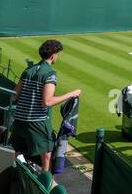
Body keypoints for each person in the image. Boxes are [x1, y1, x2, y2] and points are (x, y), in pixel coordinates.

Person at [10, 40, 81, 172]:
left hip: (19, 121)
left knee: (15, 151)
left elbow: (15, 95)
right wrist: (71, 94)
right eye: (58, 54)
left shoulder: (28, 70)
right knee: (47, 154)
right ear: (53, 56)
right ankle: (44, 187)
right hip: (37, 123)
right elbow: (47, 102)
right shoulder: (50, 73)